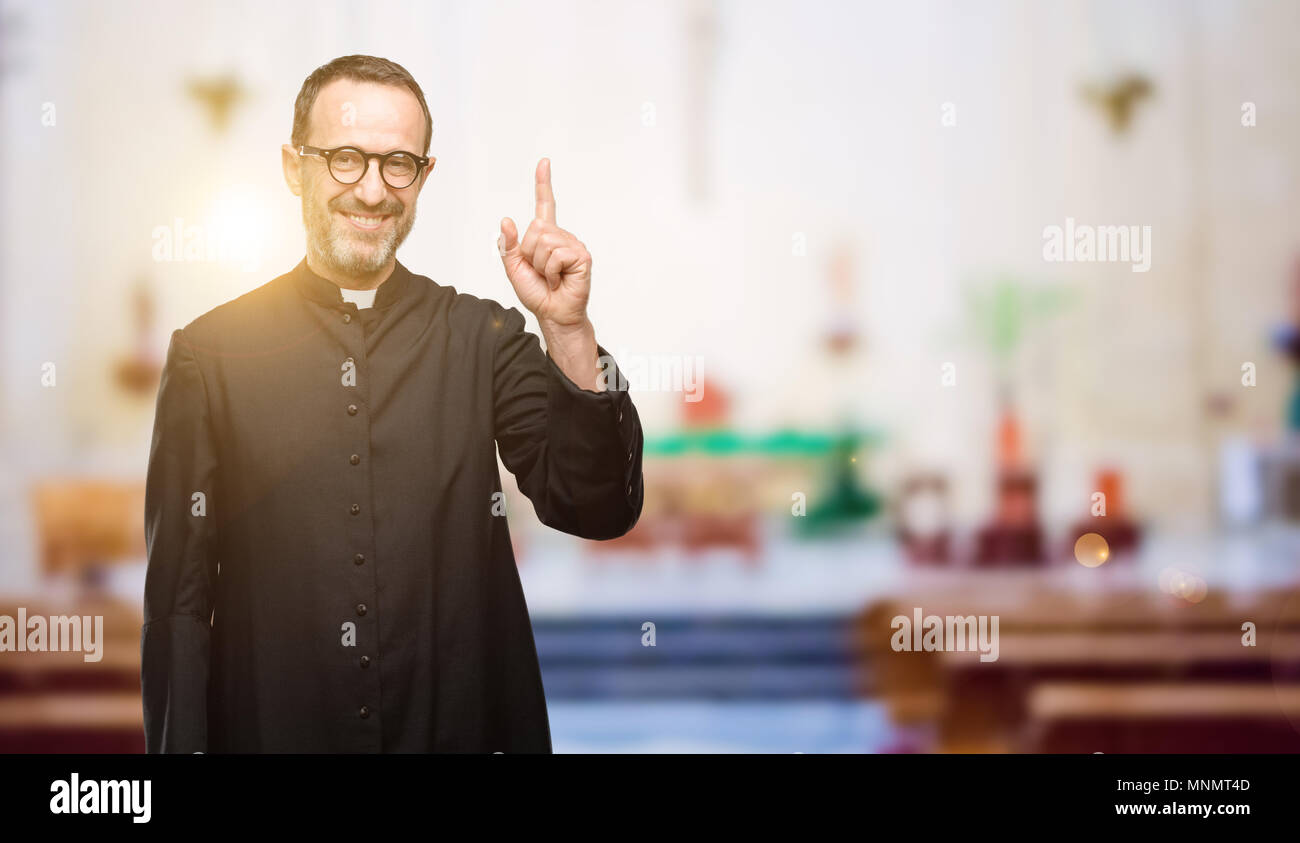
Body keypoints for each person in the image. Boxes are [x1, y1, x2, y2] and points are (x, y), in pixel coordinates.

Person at [141, 54, 644, 753]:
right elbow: (179, 605)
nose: (373, 191)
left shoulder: (485, 336)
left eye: (398, 163)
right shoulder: (209, 354)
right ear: (294, 167)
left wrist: (567, 329)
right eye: (346, 159)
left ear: (424, 176)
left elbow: (596, 506)